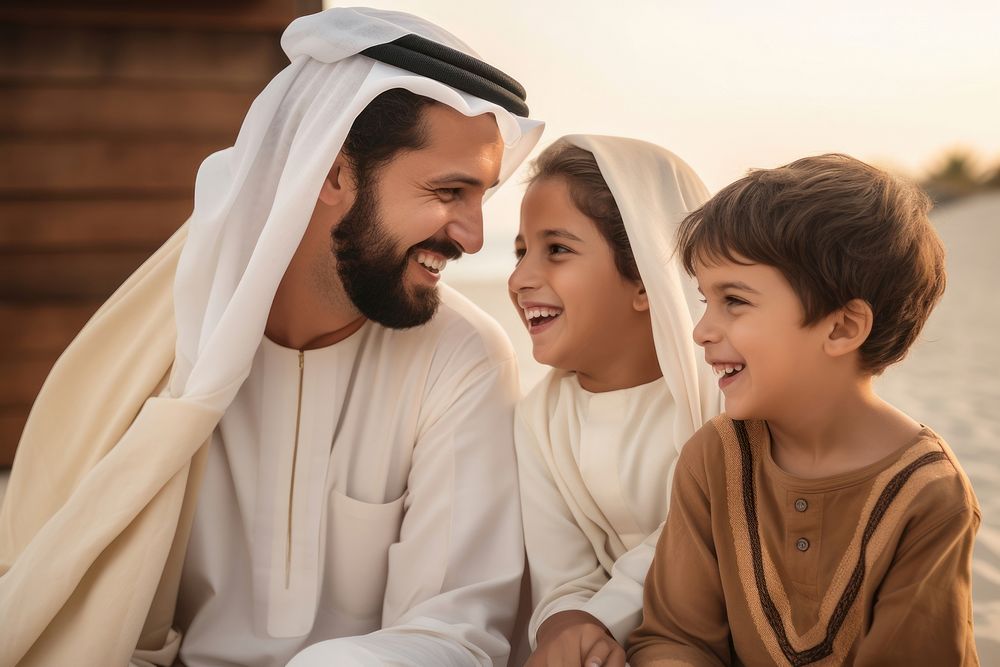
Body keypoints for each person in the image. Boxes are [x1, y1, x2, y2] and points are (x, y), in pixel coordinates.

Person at [0, 8, 543, 667]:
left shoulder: (464, 356)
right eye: (449, 190)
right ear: (333, 173)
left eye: (479, 197)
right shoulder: (158, 347)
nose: (472, 235)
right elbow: (79, 604)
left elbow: (454, 633)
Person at [628, 154, 980, 666]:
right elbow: (674, 640)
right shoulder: (716, 456)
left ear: (841, 328)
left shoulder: (928, 494)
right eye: (705, 299)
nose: (701, 330)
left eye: (735, 301)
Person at [509, 136, 721, 667]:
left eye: (556, 249)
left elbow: (695, 538)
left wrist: (600, 620)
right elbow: (563, 576)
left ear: (646, 277)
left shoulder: (722, 396)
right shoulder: (540, 418)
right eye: (520, 251)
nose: (519, 279)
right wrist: (568, 630)